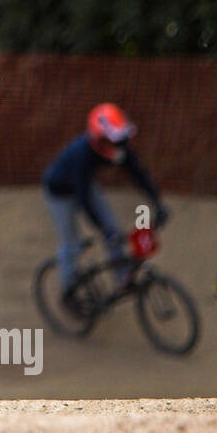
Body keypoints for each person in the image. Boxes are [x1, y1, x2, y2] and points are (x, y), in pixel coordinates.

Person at [40, 104, 170, 309]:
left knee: (114, 229)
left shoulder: (118, 149)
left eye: (121, 141)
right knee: (71, 243)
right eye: (113, 141)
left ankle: (122, 279)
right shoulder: (80, 154)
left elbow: (139, 174)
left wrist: (157, 203)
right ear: (98, 139)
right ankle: (68, 293)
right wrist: (103, 230)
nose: (118, 146)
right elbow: (83, 199)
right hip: (60, 192)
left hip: (84, 185)